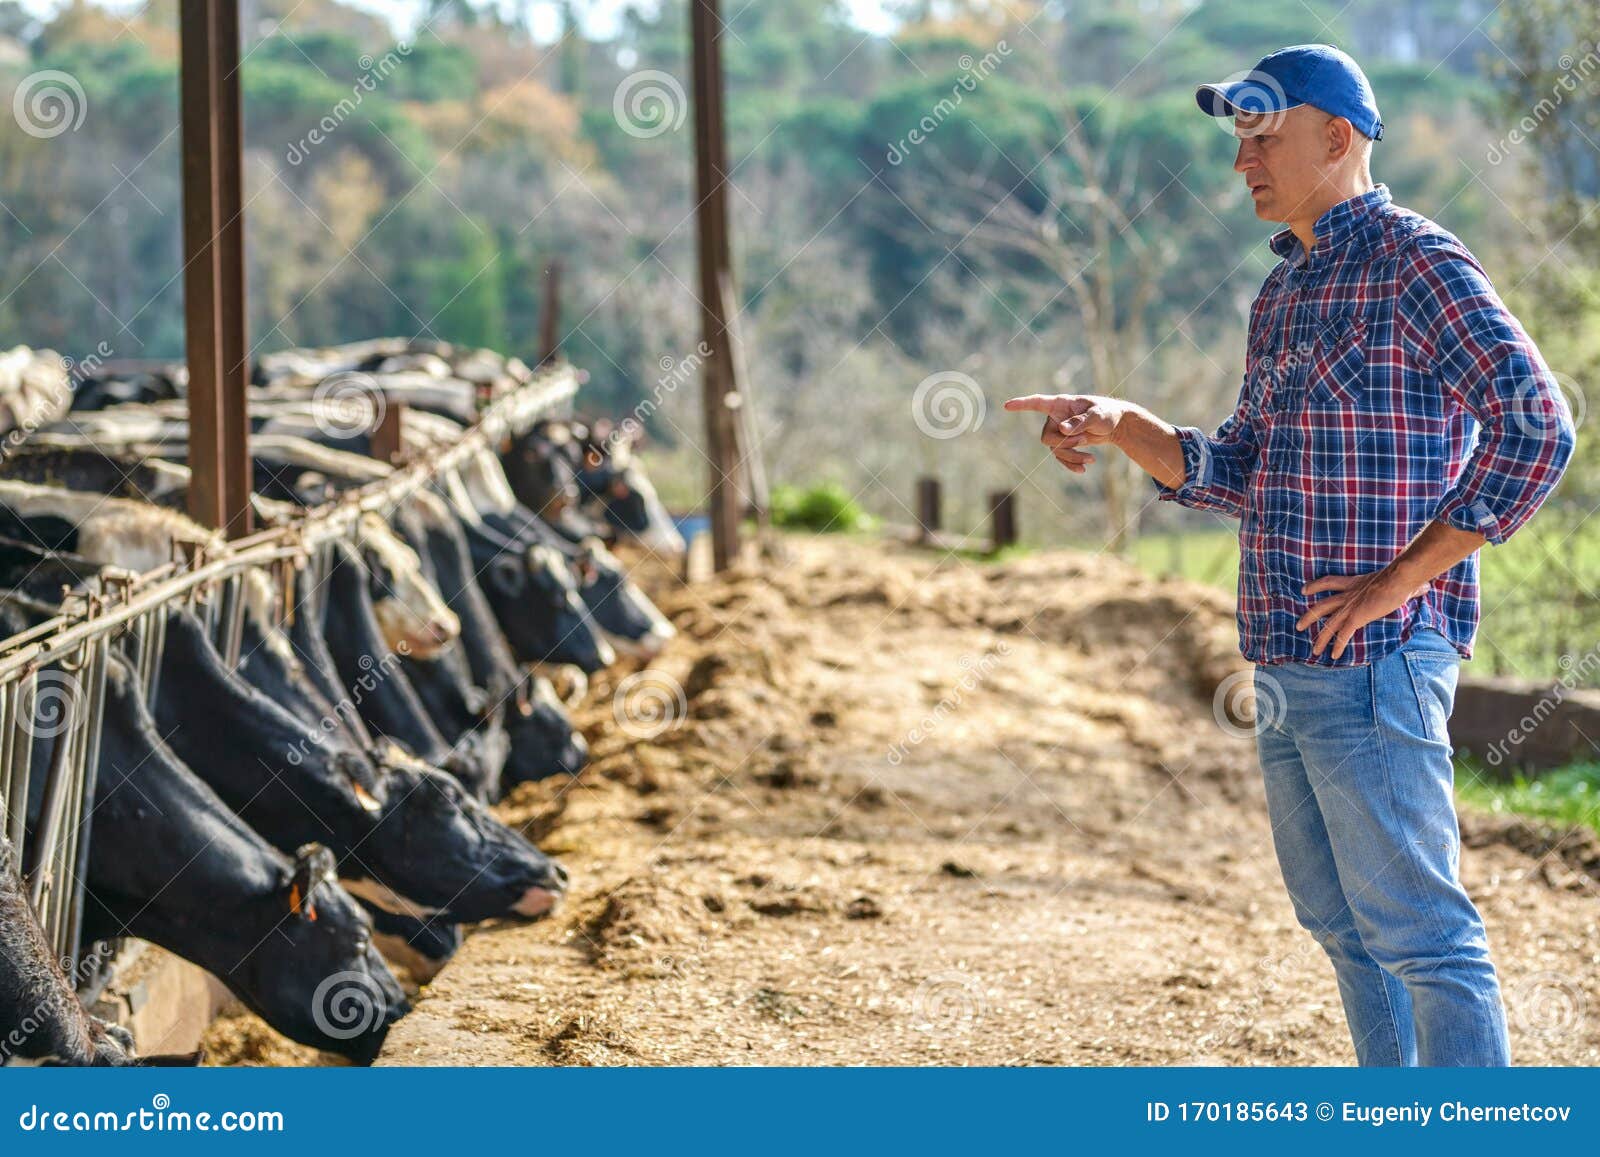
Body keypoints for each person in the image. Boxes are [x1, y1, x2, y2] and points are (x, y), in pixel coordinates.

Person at [1005, 44, 1575, 1067]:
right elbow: (1244, 470)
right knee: (1347, 933)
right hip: (1287, 659)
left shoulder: (1417, 262)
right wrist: (1125, 423)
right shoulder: (1283, 294)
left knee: (1423, 936)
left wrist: (1404, 577)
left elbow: (1540, 426)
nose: (1240, 164)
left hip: (1380, 660)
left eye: (1260, 138)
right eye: (1236, 141)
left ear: (1337, 138)